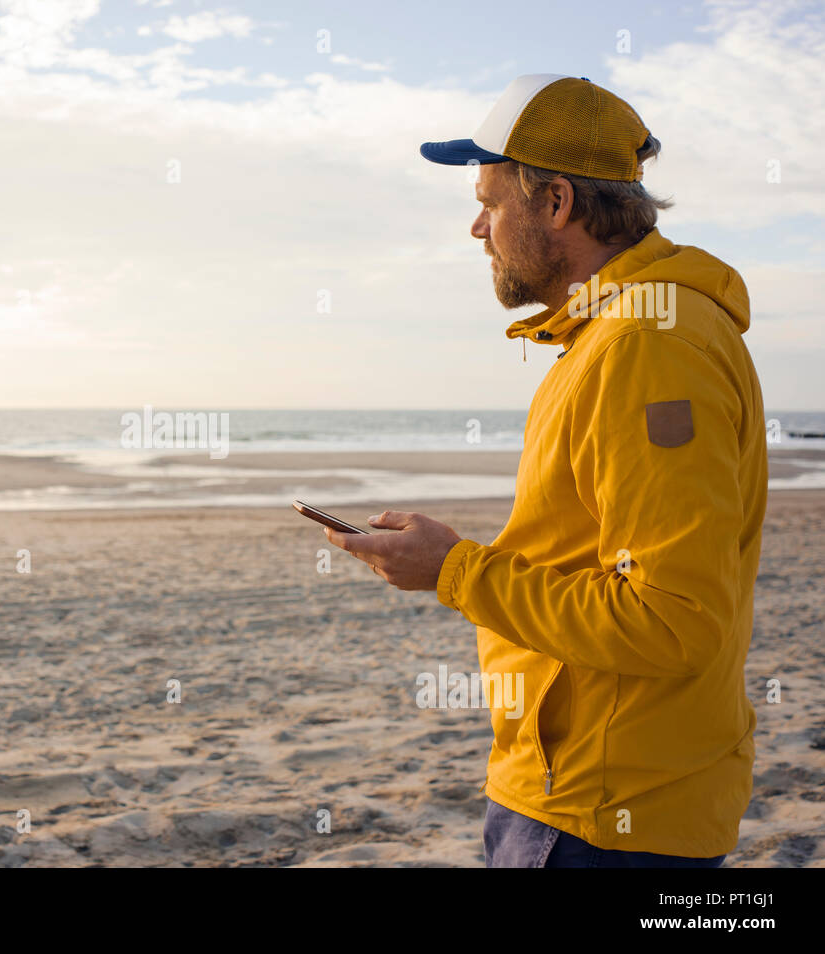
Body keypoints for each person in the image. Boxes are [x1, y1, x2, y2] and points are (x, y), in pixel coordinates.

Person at [321, 74, 767, 867]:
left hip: (600, 812)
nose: (476, 227)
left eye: (491, 202)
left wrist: (456, 570)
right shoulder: (621, 331)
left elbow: (672, 620)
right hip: (604, 788)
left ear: (556, 203)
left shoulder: (645, 345)